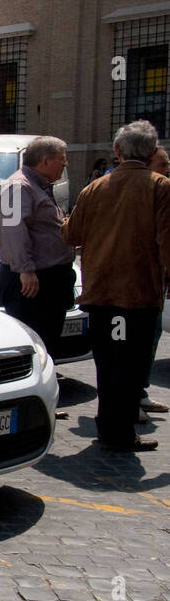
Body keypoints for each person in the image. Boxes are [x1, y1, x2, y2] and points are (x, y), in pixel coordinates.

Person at [62, 121, 170, 452]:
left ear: (117, 151)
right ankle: (119, 432)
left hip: (102, 293)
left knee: (108, 363)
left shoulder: (95, 188)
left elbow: (71, 235)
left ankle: (109, 426)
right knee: (132, 366)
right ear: (152, 152)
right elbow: (168, 242)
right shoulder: (160, 186)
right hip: (137, 295)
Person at [0, 136, 76, 369]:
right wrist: (25, 270)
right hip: (32, 282)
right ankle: (29, 403)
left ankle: (44, 401)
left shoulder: (39, 186)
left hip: (48, 279)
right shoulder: (18, 186)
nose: (65, 164)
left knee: (46, 346)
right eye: (62, 159)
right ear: (45, 161)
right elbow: (13, 232)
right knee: (33, 346)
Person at [138, 145, 170, 416]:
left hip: (154, 284)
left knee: (151, 338)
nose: (167, 170)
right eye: (162, 165)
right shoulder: (152, 192)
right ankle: (129, 400)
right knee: (133, 346)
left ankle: (139, 393)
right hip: (136, 286)